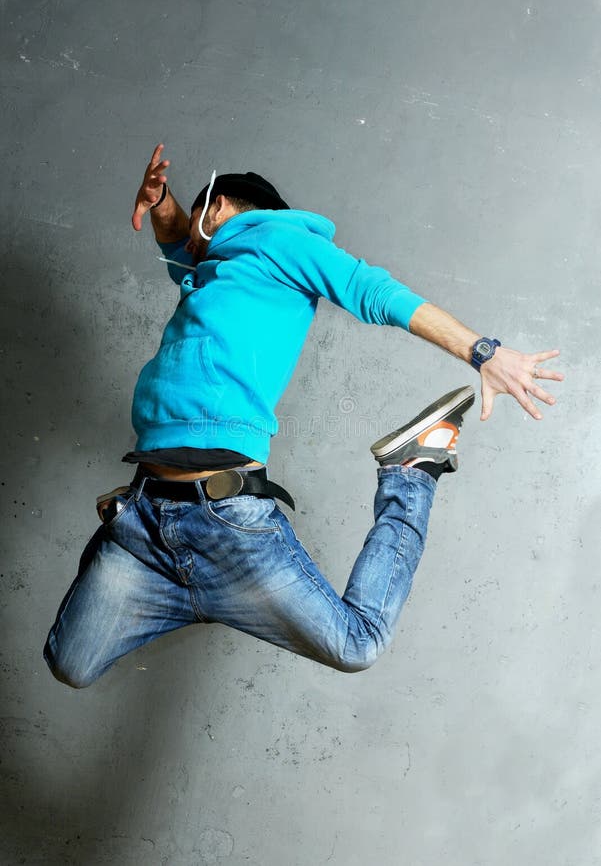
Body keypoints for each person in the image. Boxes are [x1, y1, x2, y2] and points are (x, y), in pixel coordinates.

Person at [43, 145, 563, 688]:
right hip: (148, 523)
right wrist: (162, 203)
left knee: (356, 645)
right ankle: (192, 590)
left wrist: (483, 352)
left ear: (217, 208)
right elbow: (181, 243)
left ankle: (413, 472)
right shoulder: (218, 277)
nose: (185, 258)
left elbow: (374, 290)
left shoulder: (281, 241)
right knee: (71, 663)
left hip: (229, 526)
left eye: (195, 238)